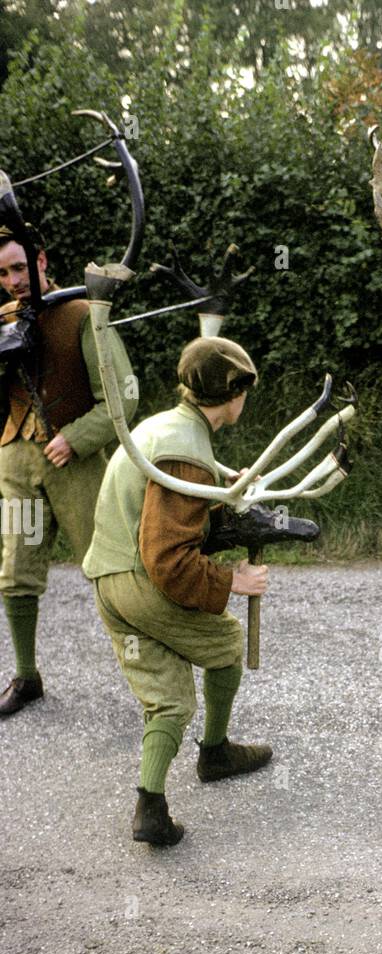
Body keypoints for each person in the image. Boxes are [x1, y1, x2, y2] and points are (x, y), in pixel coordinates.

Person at [82, 337, 273, 846]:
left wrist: (218, 489)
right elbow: (169, 560)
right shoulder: (186, 454)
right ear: (234, 393)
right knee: (227, 643)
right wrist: (234, 580)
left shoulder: (162, 426)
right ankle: (215, 752)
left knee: (167, 700)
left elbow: (166, 505)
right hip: (143, 583)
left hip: (108, 578)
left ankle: (151, 806)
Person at [0, 226, 135, 715]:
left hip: (74, 467)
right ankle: (26, 676)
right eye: (2, 273)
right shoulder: (3, 319)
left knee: (108, 569)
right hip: (18, 463)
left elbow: (125, 396)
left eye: (19, 267)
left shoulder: (84, 313)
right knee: (17, 571)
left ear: (40, 260)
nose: (13, 280)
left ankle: (148, 679)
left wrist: (76, 438)